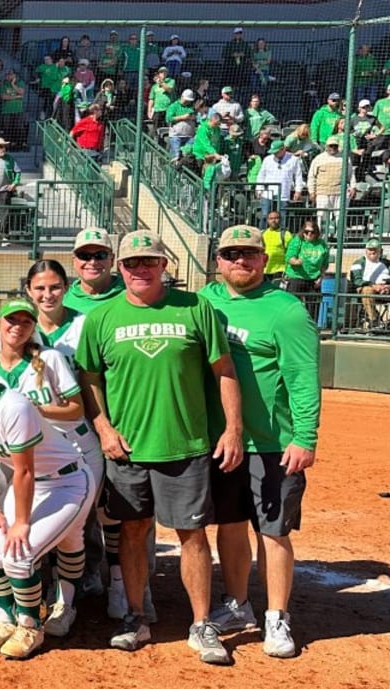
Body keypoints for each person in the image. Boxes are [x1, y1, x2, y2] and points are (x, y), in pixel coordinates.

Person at [76, 230, 243, 665]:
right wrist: (103, 428)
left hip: (185, 444)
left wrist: (233, 429)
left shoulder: (195, 309)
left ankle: (202, 623)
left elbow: (224, 370)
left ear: (164, 265)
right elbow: (89, 379)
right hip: (127, 449)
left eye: (149, 261)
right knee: (131, 532)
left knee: (192, 535)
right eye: (132, 263)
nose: (140, 269)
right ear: (120, 268)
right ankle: (134, 616)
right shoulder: (102, 318)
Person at [199, 226, 320, 661]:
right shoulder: (204, 302)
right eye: (231, 254)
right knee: (229, 527)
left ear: (263, 261)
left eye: (249, 255)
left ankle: (276, 615)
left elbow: (303, 381)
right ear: (218, 261)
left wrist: (305, 437)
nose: (240, 262)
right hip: (224, 440)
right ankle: (237, 604)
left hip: (274, 443)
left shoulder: (285, 311)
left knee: (273, 531)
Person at [0, 346, 92, 659]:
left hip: (66, 481)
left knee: (20, 553)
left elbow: (25, 469)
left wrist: (21, 522)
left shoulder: (14, 406)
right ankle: (5, 621)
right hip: (26, 484)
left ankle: (32, 625)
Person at [0, 300, 101, 637]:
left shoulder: (47, 359)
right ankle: (32, 601)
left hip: (74, 449)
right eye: (12, 319)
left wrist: (36, 409)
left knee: (72, 532)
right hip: (23, 458)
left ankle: (66, 603)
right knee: (30, 530)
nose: (18, 326)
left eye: (26, 321)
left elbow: (76, 409)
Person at [64, 227, 124, 313]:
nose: (93, 262)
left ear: (112, 259)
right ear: (74, 260)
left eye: (100, 255)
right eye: (84, 255)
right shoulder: (62, 300)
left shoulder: (131, 294)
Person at [283, 219, 329, 324]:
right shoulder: (297, 240)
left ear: (316, 233)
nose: (308, 234)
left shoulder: (322, 244)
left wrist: (321, 277)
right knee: (293, 305)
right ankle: (291, 327)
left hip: (313, 279)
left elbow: (324, 264)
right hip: (296, 277)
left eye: (312, 232)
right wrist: (296, 261)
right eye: (306, 231)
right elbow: (289, 257)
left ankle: (311, 329)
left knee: (313, 307)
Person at [256, 140, 305, 225]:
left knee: (282, 218)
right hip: (267, 193)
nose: (274, 154)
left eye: (276, 152)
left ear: (283, 150)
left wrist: (298, 191)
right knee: (265, 216)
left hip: (283, 194)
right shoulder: (267, 159)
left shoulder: (294, 160)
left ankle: (281, 236)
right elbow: (261, 175)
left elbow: (298, 176)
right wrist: (259, 189)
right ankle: (262, 234)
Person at [355, 239, 390, 328]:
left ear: (380, 251)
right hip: (369, 288)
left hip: (386, 288)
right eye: (370, 249)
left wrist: (387, 286)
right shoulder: (359, 263)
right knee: (367, 290)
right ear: (366, 251)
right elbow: (357, 280)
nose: (372, 251)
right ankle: (374, 320)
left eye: (375, 249)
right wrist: (373, 285)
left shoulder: (387, 263)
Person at [262, 209, 290, 283]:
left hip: (280, 271)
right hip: (265, 270)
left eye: (276, 218)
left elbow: (291, 254)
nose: (274, 220)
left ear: (280, 220)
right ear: (267, 220)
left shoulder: (286, 234)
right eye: (271, 218)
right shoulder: (263, 234)